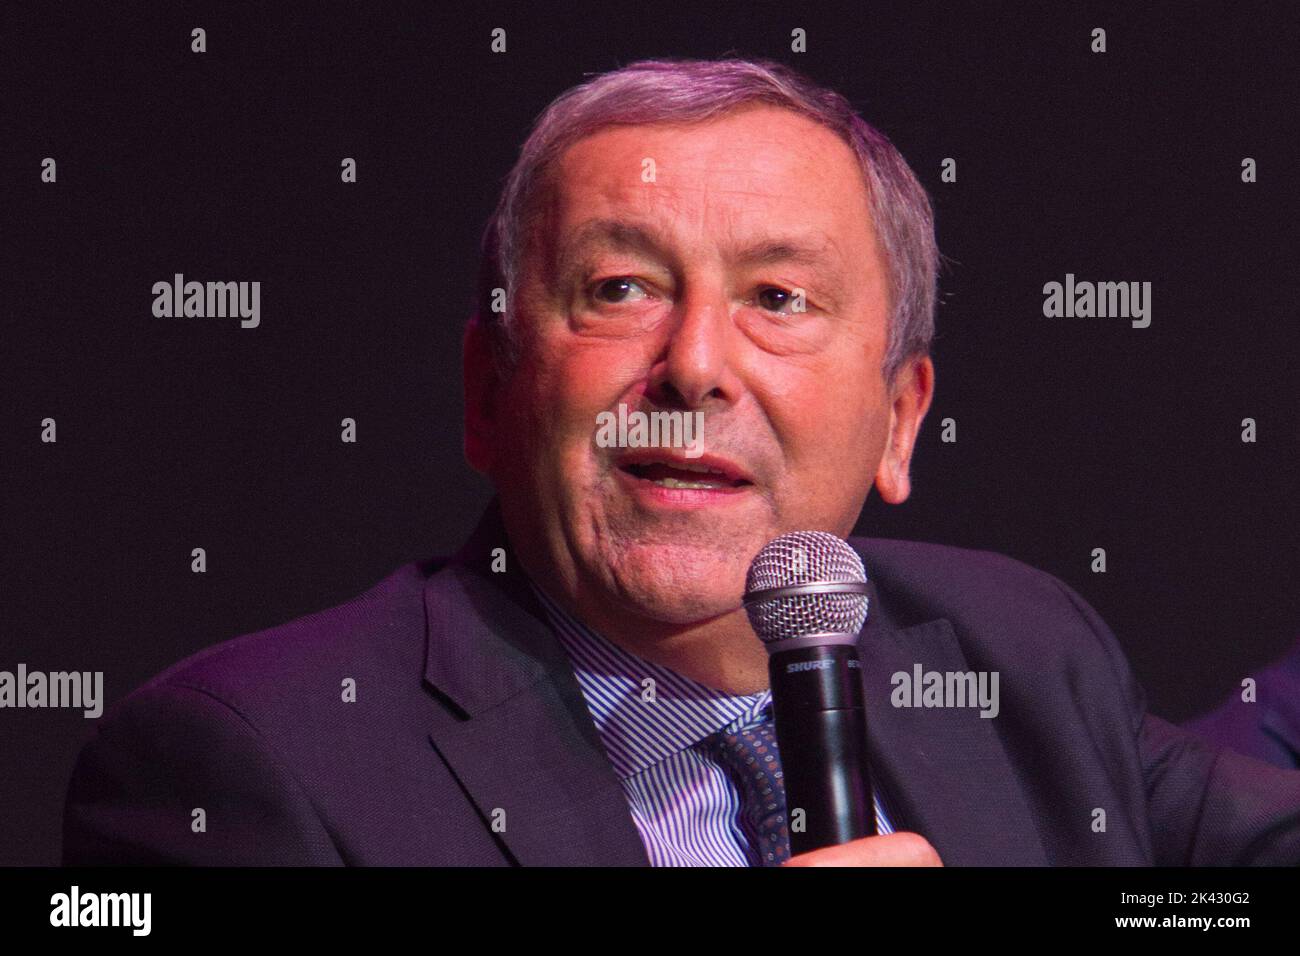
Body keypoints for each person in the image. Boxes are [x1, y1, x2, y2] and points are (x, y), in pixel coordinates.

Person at [63, 58, 1300, 866]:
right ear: (487, 392)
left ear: (898, 418)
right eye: (618, 289)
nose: (695, 364)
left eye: (777, 294)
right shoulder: (246, 767)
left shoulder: (1011, 648)